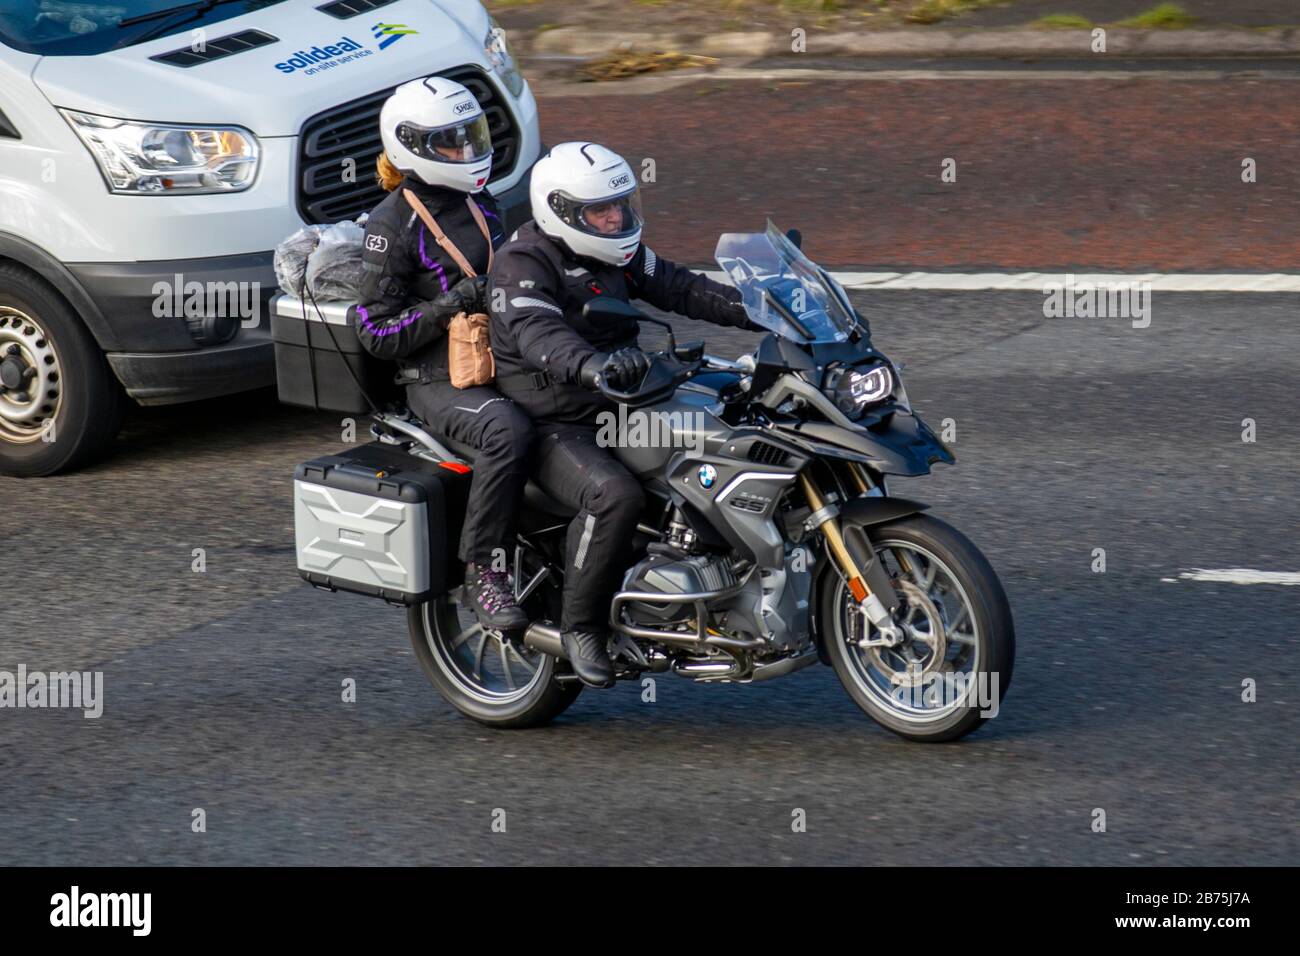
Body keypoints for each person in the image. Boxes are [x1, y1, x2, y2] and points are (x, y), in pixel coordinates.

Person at [488, 141, 756, 687]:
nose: (616, 218)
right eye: (600, 211)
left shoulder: (618, 251)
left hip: (626, 398)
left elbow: (682, 288)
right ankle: (580, 625)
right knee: (614, 494)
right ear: (560, 210)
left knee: (736, 425)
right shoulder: (522, 264)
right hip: (556, 420)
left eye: (621, 206)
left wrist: (763, 306)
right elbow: (541, 336)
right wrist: (594, 366)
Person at [352, 77, 531, 634]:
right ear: (413, 148)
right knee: (508, 432)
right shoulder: (391, 225)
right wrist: (451, 304)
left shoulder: (481, 200)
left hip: (501, 354)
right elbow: (374, 331)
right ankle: (484, 569)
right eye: (452, 143)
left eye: (471, 137)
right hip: (435, 378)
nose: (467, 152)